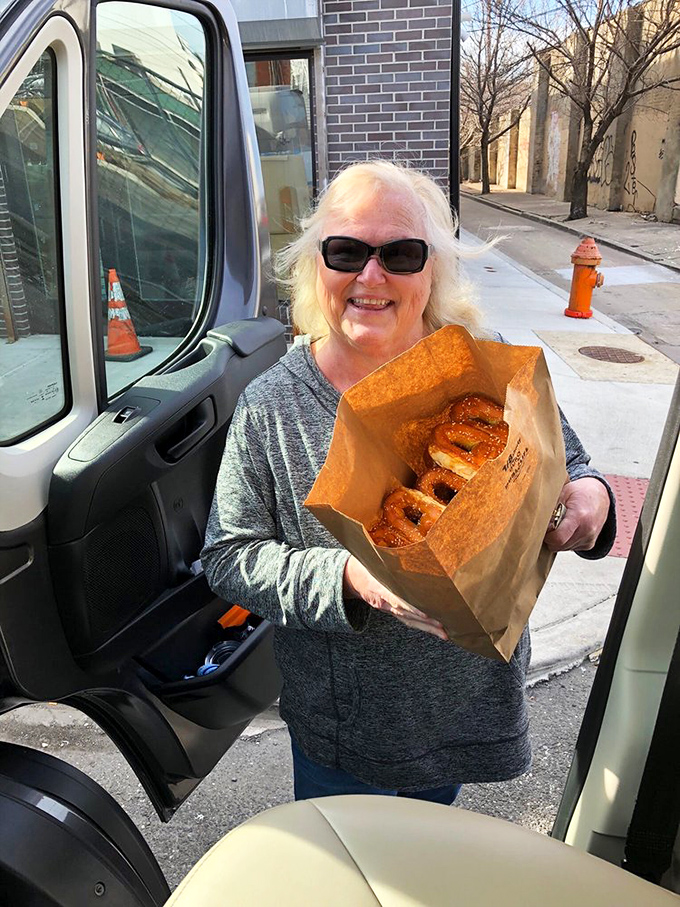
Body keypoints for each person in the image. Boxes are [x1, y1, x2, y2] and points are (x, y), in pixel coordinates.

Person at [201, 160, 615, 804]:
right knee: (347, 862)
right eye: (346, 251)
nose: (371, 276)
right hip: (345, 729)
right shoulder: (272, 406)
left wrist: (592, 498)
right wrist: (348, 577)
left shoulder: (478, 363)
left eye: (400, 254)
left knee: (430, 856)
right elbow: (229, 557)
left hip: (465, 705)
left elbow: (571, 464)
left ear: (433, 270)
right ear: (316, 265)